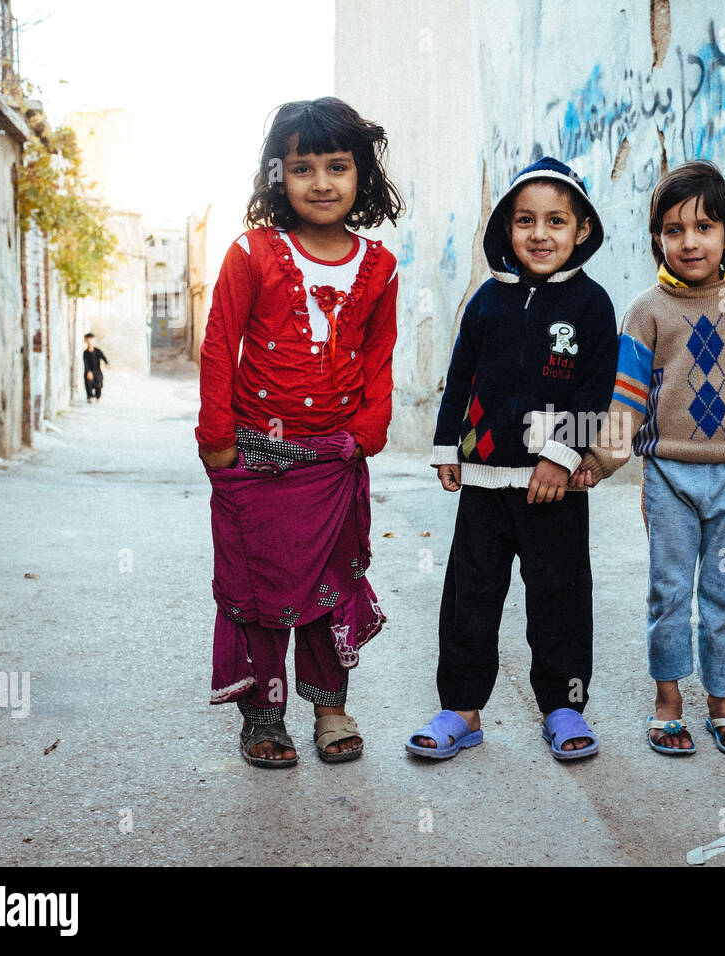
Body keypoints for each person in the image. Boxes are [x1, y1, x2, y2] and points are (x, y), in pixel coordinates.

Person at [574, 161, 725, 755]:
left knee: (723, 592)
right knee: (668, 590)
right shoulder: (646, 311)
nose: (689, 242)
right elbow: (627, 398)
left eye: (704, 227)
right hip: (668, 474)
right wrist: (601, 459)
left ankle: (721, 700)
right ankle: (667, 702)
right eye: (673, 229)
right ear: (658, 237)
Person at [195, 97, 403, 768]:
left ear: (362, 174)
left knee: (327, 590)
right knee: (260, 595)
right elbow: (220, 346)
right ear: (276, 176)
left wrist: (368, 431)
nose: (321, 182)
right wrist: (218, 441)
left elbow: (378, 353)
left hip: (334, 462)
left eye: (337, 166)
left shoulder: (379, 267)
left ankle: (331, 707)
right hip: (256, 458)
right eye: (302, 167)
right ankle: (265, 714)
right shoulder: (253, 254)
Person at [406, 157, 618, 762]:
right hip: (484, 482)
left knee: (560, 595)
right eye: (525, 220)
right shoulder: (486, 303)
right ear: (506, 229)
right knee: (470, 595)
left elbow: (594, 391)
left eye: (557, 220)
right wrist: (449, 448)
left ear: (581, 231)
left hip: (554, 488)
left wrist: (561, 456)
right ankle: (461, 710)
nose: (540, 234)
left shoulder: (591, 305)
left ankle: (564, 707)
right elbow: (461, 379)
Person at [82, 334, 108, 402]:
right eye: (88, 340)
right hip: (89, 370)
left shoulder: (97, 351)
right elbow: (85, 363)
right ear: (86, 341)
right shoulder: (85, 353)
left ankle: (98, 397)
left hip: (97, 371)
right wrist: (88, 371)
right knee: (88, 384)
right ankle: (89, 397)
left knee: (99, 384)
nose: (90, 342)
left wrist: (106, 363)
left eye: (91, 340)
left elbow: (103, 357)